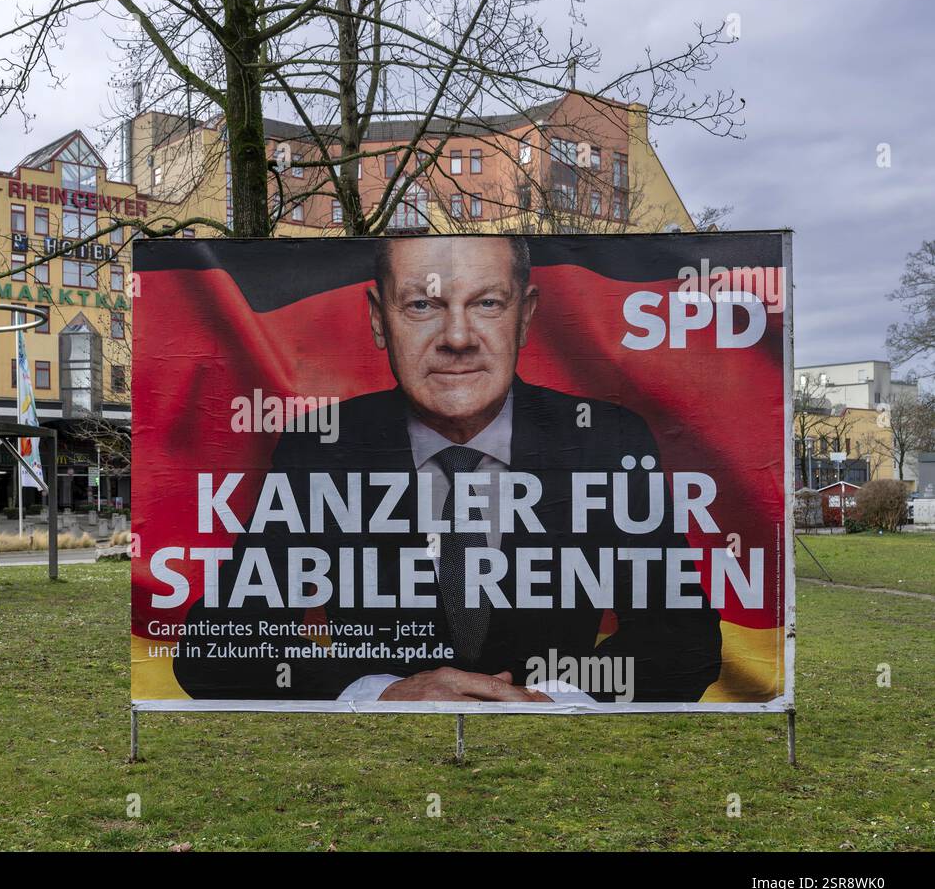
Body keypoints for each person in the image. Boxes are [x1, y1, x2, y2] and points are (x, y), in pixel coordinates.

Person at [174, 235, 721, 704]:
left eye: (486, 304)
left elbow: (683, 645)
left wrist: (549, 701)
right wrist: (381, 693)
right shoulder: (322, 448)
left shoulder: (606, 440)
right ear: (377, 319)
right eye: (421, 306)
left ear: (525, 316)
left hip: (560, 776)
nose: (457, 339)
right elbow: (215, 644)